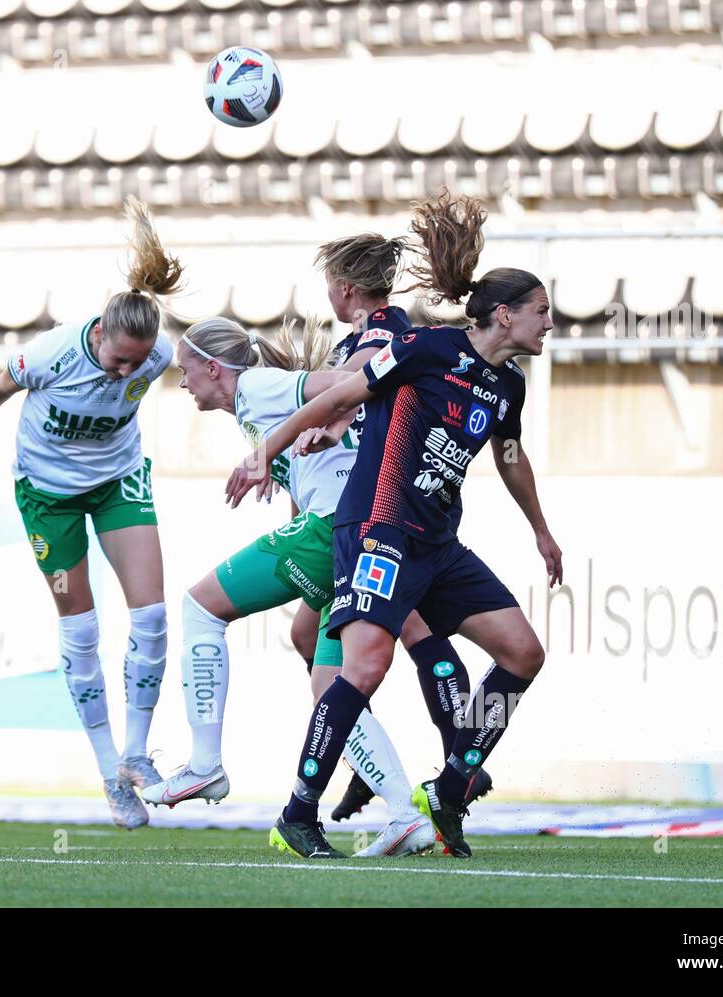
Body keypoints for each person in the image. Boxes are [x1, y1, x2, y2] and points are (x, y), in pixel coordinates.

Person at [226, 190, 563, 859]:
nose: (550, 323)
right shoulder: (426, 348)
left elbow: (510, 456)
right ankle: (298, 814)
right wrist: (268, 450)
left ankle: (450, 787)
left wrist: (541, 530)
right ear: (505, 314)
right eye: (542, 310)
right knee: (366, 665)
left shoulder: (508, 386)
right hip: (378, 529)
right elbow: (340, 394)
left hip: (437, 543)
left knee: (523, 652)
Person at [0, 197, 180, 830]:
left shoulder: (157, 355)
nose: (127, 371)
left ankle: (137, 754)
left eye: (137, 363)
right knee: (82, 627)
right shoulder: (52, 353)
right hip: (48, 494)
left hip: (118, 481)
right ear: (98, 334)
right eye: (119, 359)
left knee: (153, 615)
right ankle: (110, 775)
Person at [142, 317, 434, 856]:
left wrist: (335, 417)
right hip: (351, 537)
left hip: (332, 530)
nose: (182, 382)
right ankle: (404, 815)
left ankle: (204, 765)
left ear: (214, 368)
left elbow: (344, 384)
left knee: (200, 608)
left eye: (185, 369)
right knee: (332, 689)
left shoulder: (257, 386)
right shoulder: (253, 410)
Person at [301, 233, 491, 828]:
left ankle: (443, 761)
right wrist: (337, 422)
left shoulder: (378, 331)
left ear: (344, 288)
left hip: (382, 508)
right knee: (317, 634)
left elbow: (359, 381)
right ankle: (377, 755)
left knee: (396, 638)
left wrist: (309, 409)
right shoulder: (383, 331)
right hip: (389, 504)